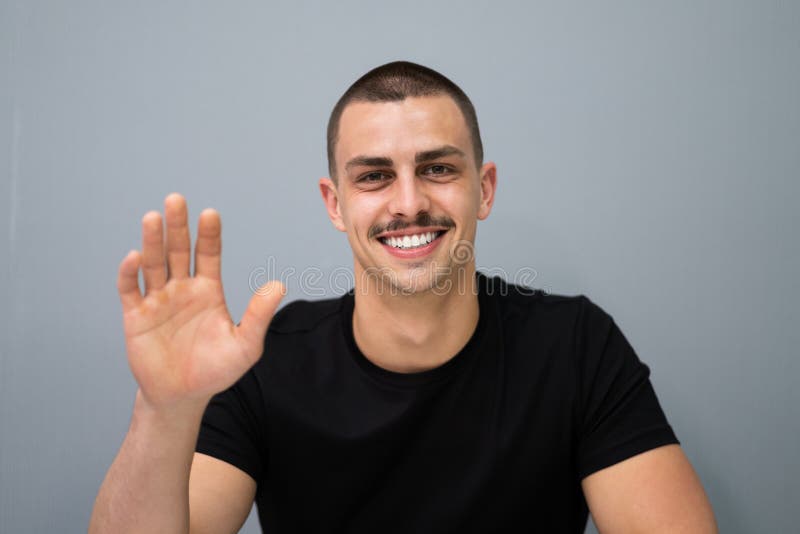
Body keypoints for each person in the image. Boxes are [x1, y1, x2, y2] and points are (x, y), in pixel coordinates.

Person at [89, 61, 717, 533]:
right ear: (335, 204)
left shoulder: (575, 346)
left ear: (485, 188)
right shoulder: (262, 362)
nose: (409, 202)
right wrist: (163, 411)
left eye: (438, 168)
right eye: (374, 176)